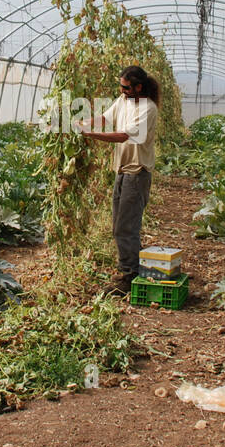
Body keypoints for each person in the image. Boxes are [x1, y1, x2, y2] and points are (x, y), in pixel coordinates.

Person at [79, 66, 160, 294]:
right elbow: (105, 118)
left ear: (138, 87)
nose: (122, 90)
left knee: (126, 226)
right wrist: (81, 123)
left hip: (137, 172)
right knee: (120, 225)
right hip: (123, 170)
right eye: (121, 86)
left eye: (126, 87)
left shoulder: (148, 109)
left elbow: (124, 135)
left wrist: (89, 135)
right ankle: (132, 267)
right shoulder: (125, 100)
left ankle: (130, 275)